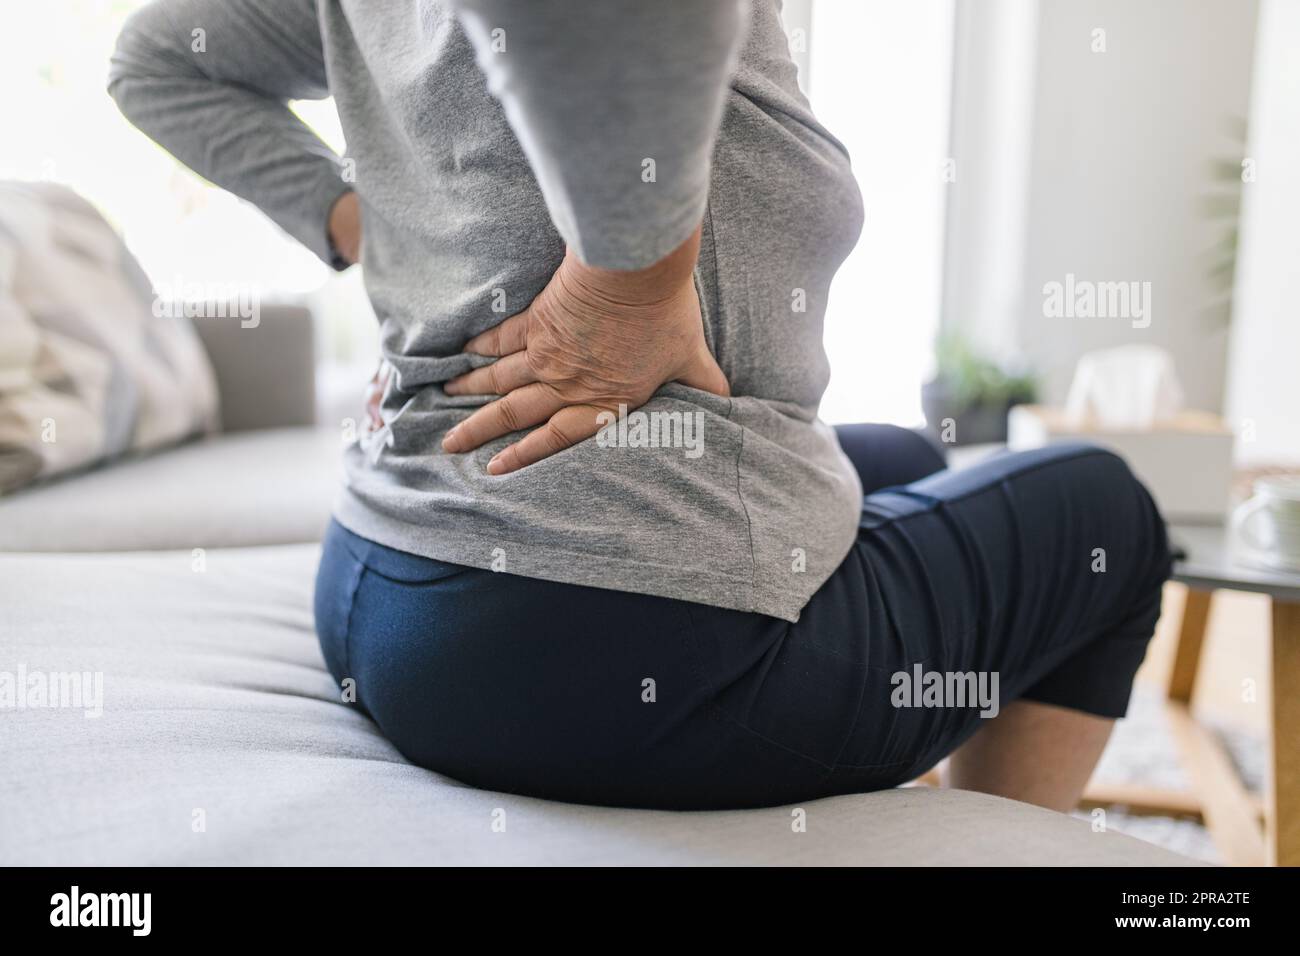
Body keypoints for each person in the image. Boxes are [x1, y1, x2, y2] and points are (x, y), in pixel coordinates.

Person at [110, 0, 1170, 813]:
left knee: (900, 456)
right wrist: (626, 282)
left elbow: (158, 57)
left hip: (388, 591)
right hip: (609, 643)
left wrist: (365, 226)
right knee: (1108, 509)